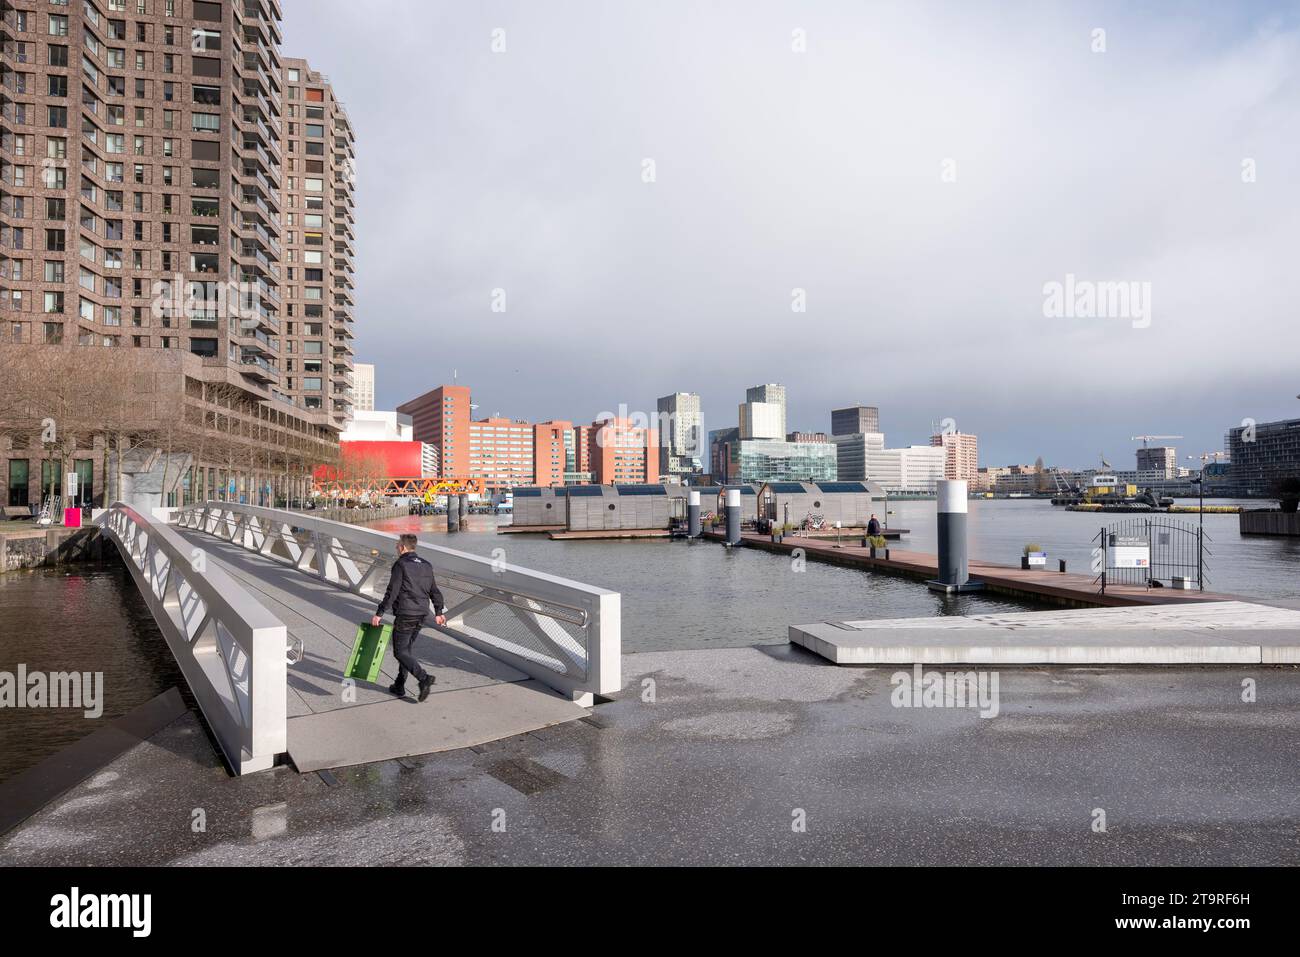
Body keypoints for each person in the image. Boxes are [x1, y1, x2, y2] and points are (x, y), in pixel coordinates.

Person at [371, 534, 447, 702]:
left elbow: (392, 591)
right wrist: (439, 612)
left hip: (405, 613)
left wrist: (379, 613)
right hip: (421, 614)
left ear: (403, 547)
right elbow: (434, 590)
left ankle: (424, 678)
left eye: (397, 544)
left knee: (400, 652)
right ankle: (399, 685)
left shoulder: (401, 564)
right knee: (406, 650)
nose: (396, 547)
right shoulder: (426, 565)